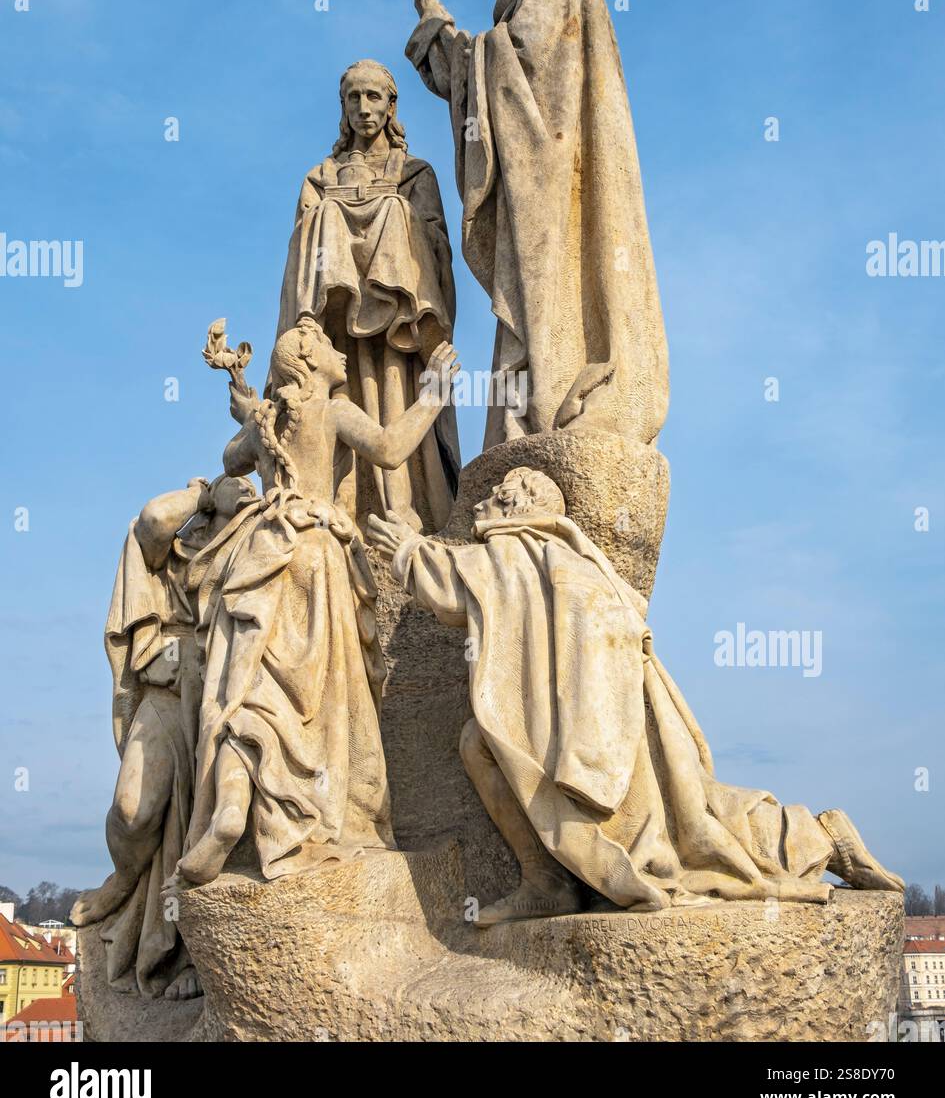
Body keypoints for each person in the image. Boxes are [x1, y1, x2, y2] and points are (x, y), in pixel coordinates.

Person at [368, 467, 904, 924]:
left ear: (516, 505)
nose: (481, 506)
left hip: (592, 740)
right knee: (694, 817)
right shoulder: (576, 561)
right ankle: (813, 836)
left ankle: (812, 836)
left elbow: (455, 583)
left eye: (491, 496)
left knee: (688, 833)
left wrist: (408, 549)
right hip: (618, 724)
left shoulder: (520, 554)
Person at [166, 314, 460, 891]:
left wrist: (249, 405)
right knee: (323, 699)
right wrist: (432, 397)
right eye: (327, 344)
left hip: (261, 554)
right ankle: (322, 814)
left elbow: (231, 460)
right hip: (317, 554)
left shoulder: (270, 421)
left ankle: (231, 813)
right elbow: (390, 448)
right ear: (311, 366)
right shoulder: (332, 409)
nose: (338, 348)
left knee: (248, 697)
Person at [405, 0, 669, 450]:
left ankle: (556, 404)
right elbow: (472, 74)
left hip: (558, 173)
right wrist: (432, 11)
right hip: (527, 184)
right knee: (522, 296)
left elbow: (529, 61)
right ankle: (523, 423)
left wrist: (466, 44)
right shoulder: (508, 11)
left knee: (551, 286)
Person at [71, 474, 257, 997]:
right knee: (133, 810)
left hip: (229, 697)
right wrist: (205, 490)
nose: (244, 490)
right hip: (169, 695)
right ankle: (124, 880)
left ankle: (188, 953)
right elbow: (153, 520)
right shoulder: (175, 552)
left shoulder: (254, 546)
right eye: (234, 487)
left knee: (219, 824)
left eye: (250, 488)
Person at [275, 59, 460, 531]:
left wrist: (391, 218)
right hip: (334, 337)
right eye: (352, 98)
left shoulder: (415, 174)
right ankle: (342, 509)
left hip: (400, 324)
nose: (363, 108)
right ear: (342, 108)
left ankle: (406, 509)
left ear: (391, 105)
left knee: (396, 211)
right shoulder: (320, 178)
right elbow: (302, 246)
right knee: (325, 219)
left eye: (373, 96)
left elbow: (436, 248)